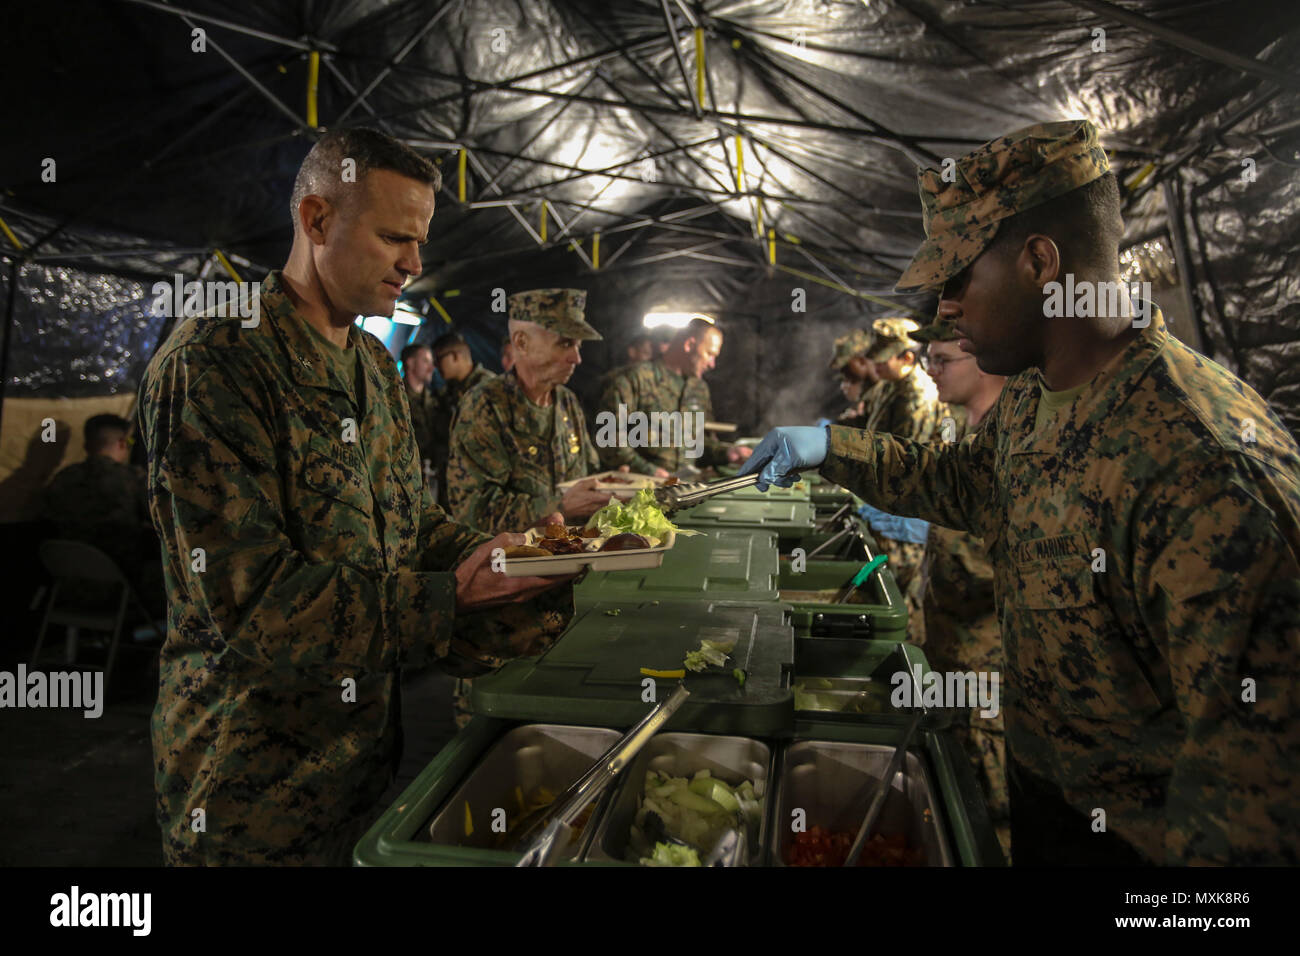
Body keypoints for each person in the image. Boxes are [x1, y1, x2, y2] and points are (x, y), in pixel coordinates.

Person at [740, 119, 1300, 866]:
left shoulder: (1199, 461)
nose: (942, 311)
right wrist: (828, 447)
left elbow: (1258, 805)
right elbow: (965, 484)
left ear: (1041, 261)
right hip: (1045, 801)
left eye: (957, 279)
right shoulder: (1037, 397)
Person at [137, 127, 576, 866]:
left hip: (362, 765)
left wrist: (506, 558)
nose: (416, 263)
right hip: (249, 795)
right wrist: (450, 600)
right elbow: (249, 607)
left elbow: (409, 524)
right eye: (395, 238)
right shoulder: (217, 361)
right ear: (316, 220)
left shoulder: (372, 364)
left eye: (421, 240)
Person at [911, 316, 1011, 859]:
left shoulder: (1013, 437)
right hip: (947, 647)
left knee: (986, 817)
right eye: (930, 358)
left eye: (944, 359)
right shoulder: (960, 428)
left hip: (985, 669)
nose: (932, 370)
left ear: (984, 360)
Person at [447, 288, 610, 535]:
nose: (576, 358)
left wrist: (611, 484)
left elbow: (588, 469)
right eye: (565, 343)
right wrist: (559, 507)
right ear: (522, 343)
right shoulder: (486, 405)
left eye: (578, 345)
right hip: (517, 564)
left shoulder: (566, 401)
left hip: (575, 551)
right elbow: (473, 512)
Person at [852, 317, 946, 638]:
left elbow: (905, 465)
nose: (875, 365)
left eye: (883, 358)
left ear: (907, 357)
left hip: (902, 518)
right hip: (883, 509)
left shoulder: (918, 396)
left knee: (899, 609)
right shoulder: (889, 387)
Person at [596, 317, 751, 476]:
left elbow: (695, 445)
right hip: (640, 491)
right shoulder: (635, 380)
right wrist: (651, 472)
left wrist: (727, 452)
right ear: (689, 345)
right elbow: (608, 439)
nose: (712, 364)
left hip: (684, 489)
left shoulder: (698, 388)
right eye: (709, 354)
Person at [39, 413, 162, 612]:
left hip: (68, 585)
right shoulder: (132, 479)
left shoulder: (63, 478)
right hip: (122, 587)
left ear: (86, 446)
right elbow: (158, 519)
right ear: (122, 443)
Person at [428, 331, 495, 508]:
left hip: (481, 487)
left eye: (438, 359)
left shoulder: (489, 388)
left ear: (456, 356)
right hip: (451, 483)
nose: (435, 366)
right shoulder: (447, 392)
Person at [400, 342, 441, 498]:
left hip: (430, 479)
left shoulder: (435, 401)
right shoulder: (394, 398)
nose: (432, 368)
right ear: (410, 363)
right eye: (425, 361)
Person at [827, 328, 876, 428]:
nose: (844, 372)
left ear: (861, 361)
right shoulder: (870, 394)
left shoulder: (886, 391)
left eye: (846, 366)